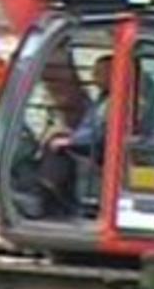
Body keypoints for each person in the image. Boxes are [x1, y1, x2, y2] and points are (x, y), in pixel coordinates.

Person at [38, 54, 111, 217]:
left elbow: (99, 133)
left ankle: (52, 196)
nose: (94, 77)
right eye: (94, 72)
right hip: (93, 143)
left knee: (55, 151)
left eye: (99, 72)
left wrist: (71, 140)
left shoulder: (113, 102)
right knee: (55, 140)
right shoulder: (104, 98)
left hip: (98, 150)